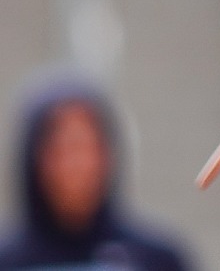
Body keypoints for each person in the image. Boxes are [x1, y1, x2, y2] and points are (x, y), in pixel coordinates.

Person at [0, 73, 195, 271]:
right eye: (60, 149)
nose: (75, 164)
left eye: (86, 147)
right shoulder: (6, 259)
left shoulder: (156, 259)